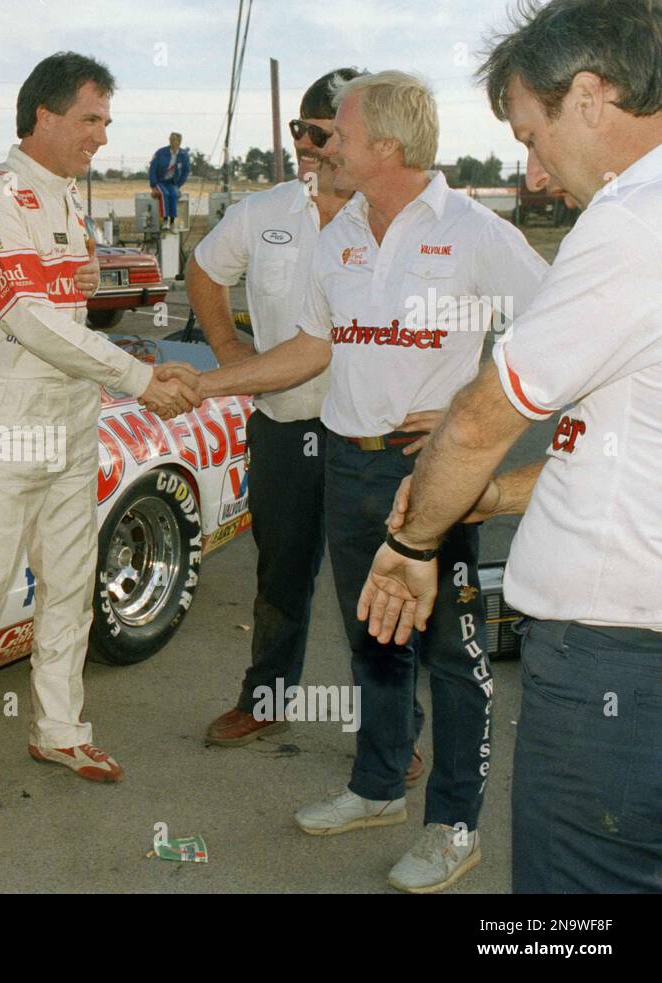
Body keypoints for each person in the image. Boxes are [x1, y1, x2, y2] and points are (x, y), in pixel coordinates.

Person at [186, 70, 548, 892]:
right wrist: (208, 383)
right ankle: (379, 784)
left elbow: (558, 332)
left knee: (453, 655)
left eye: (339, 134)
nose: (325, 148)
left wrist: (475, 411)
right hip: (347, 459)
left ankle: (454, 826)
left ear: (386, 145)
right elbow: (314, 346)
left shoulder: (472, 231)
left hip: (433, 473)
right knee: (372, 635)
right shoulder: (341, 228)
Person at [359, 0, 662, 893]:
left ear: (593, 97)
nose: (530, 171)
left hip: (618, 658)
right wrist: (492, 498)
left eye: (533, 135)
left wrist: (413, 543)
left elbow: (484, 417)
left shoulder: (633, 220)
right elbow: (624, 442)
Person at [0, 51, 197, 815]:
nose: (101, 137)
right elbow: (29, 322)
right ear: (43, 115)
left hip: (74, 417)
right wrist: (141, 381)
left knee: (73, 582)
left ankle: (59, 728)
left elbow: (76, 311)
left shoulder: (68, 202)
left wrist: (132, 357)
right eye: (90, 119)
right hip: (10, 415)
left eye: (106, 122)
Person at [192, 68, 435, 781]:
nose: (304, 144)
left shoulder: (394, 222)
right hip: (286, 426)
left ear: (356, 140)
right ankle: (266, 698)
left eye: (318, 132)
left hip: (372, 435)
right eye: (298, 129)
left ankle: (395, 733)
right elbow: (205, 273)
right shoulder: (266, 211)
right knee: (281, 577)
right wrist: (229, 352)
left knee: (380, 590)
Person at [149, 132, 191, 227]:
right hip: (160, 181)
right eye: (171, 139)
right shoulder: (161, 152)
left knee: (173, 195)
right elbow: (152, 169)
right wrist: (153, 185)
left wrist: (178, 184)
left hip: (172, 183)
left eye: (175, 140)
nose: (172, 142)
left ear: (179, 142)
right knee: (164, 194)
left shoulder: (184, 155)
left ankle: (172, 221)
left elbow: (186, 171)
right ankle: (165, 219)